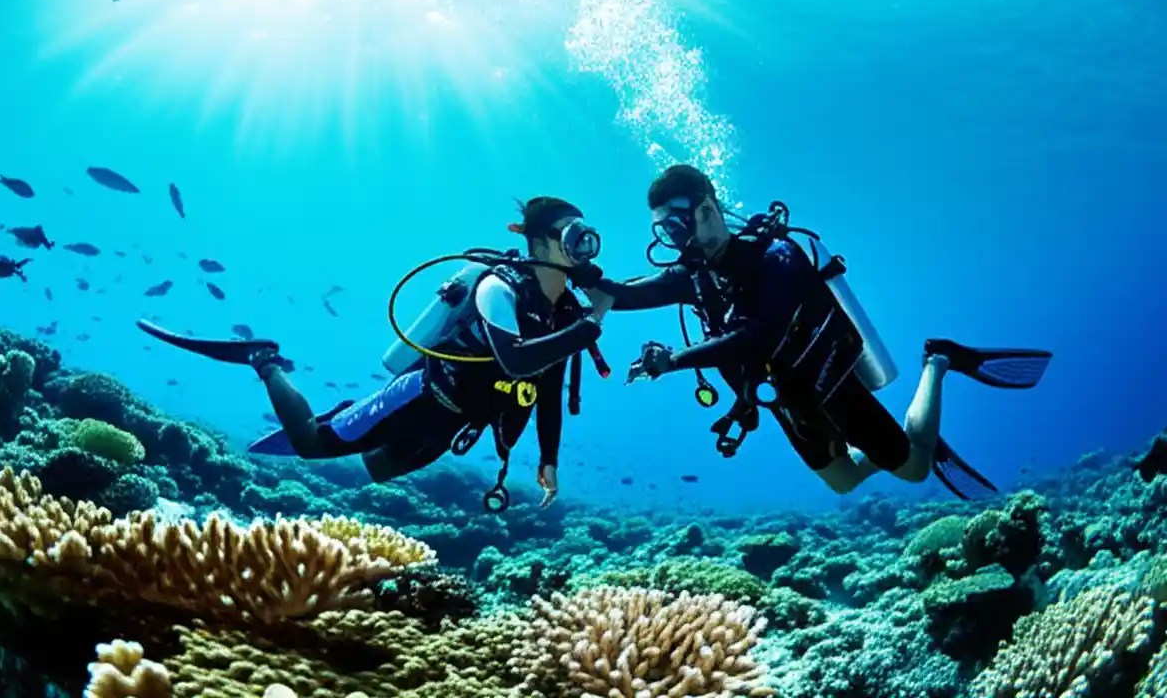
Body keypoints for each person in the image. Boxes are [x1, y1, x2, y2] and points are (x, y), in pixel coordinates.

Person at [594, 164, 1052, 497]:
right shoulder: (695, 276)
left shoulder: (777, 257)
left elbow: (760, 332)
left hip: (827, 382)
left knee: (913, 469)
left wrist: (675, 360)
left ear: (709, 208)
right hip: (786, 400)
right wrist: (572, 275)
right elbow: (623, 293)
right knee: (842, 481)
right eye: (664, 230)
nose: (675, 239)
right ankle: (900, 440)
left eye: (678, 223)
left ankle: (938, 361)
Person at [138, 197, 614, 510]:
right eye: (571, 234)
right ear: (539, 241)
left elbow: (547, 388)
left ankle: (347, 415)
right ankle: (263, 360)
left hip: (453, 426)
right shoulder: (497, 289)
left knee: (377, 471)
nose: (583, 245)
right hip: (422, 398)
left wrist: (548, 459)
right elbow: (516, 361)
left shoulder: (565, 313)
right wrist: (592, 323)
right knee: (311, 445)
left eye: (586, 235)